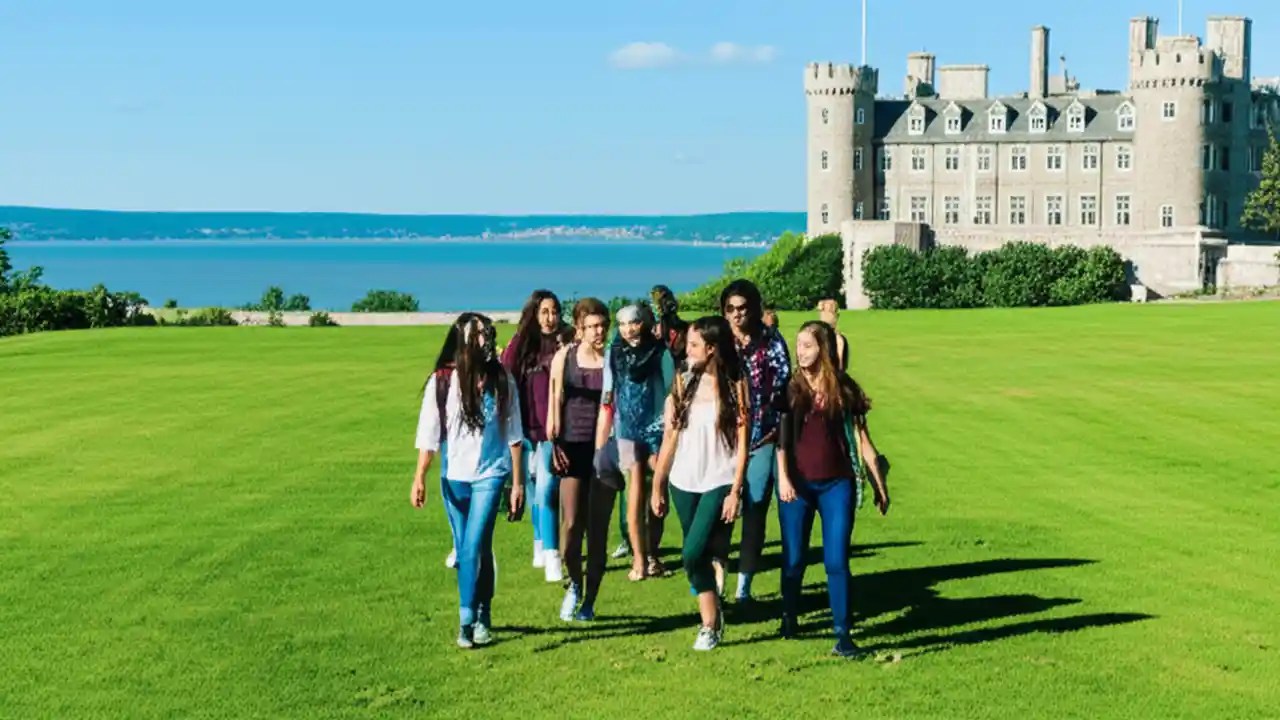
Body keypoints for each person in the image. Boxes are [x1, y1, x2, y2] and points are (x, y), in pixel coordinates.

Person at [775, 320, 889, 659]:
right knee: (794, 559)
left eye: (807, 345)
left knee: (836, 560)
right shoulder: (790, 387)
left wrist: (880, 485)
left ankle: (843, 635)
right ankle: (789, 616)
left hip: (838, 484)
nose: (800, 351)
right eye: (798, 345)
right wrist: (783, 478)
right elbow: (782, 441)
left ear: (822, 349)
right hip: (797, 485)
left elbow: (863, 440)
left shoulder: (843, 388)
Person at [412, 313, 526, 649]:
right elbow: (429, 434)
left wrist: (517, 482)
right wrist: (420, 476)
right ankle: (480, 613)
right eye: (478, 335)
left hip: (490, 473)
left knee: (475, 544)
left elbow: (515, 434)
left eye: (487, 334)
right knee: (467, 550)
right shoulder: (442, 381)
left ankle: (470, 620)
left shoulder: (502, 379)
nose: (485, 340)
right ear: (463, 339)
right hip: (454, 476)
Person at [651, 316, 748, 651]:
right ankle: (714, 616)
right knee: (700, 554)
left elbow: (743, 441)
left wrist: (736, 490)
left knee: (691, 553)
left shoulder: (736, 385)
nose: (685, 350)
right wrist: (658, 484)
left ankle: (709, 623)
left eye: (693, 345)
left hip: (719, 478)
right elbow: (670, 437)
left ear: (711, 348)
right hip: (683, 480)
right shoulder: (682, 382)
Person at [719, 279, 791, 603]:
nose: (737, 315)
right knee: (718, 512)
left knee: (755, 502)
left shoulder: (771, 340)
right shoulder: (718, 342)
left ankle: (743, 585)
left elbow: (783, 384)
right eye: (731, 309)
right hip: (723, 437)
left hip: (762, 434)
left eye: (742, 308)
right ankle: (716, 583)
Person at [547, 298, 616, 621]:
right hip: (572, 444)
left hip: (605, 450)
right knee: (571, 526)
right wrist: (554, 441)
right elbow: (555, 399)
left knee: (598, 530)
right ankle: (573, 582)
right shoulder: (565, 357)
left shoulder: (615, 360)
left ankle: (590, 599)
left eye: (603, 325)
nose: (598, 331)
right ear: (579, 328)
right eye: (592, 326)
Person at [599, 303, 676, 581]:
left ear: (644, 322)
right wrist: (603, 436)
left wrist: (668, 429)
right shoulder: (614, 352)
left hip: (656, 427)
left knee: (657, 490)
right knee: (634, 491)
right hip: (627, 429)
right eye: (623, 324)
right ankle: (639, 560)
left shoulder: (660, 352)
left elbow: (670, 391)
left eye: (634, 322)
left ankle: (653, 553)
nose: (628, 329)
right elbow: (608, 393)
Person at [500, 290, 568, 582]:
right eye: (545, 312)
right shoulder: (520, 345)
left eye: (554, 311)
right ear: (534, 313)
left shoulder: (567, 341)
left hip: (554, 429)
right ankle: (540, 542)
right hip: (524, 428)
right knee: (532, 488)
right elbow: (505, 380)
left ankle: (552, 554)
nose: (551, 318)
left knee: (547, 488)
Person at [817, 299, 850, 371]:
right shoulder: (817, 336)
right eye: (823, 313)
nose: (824, 316)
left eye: (828, 313)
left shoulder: (838, 339)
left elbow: (839, 367)